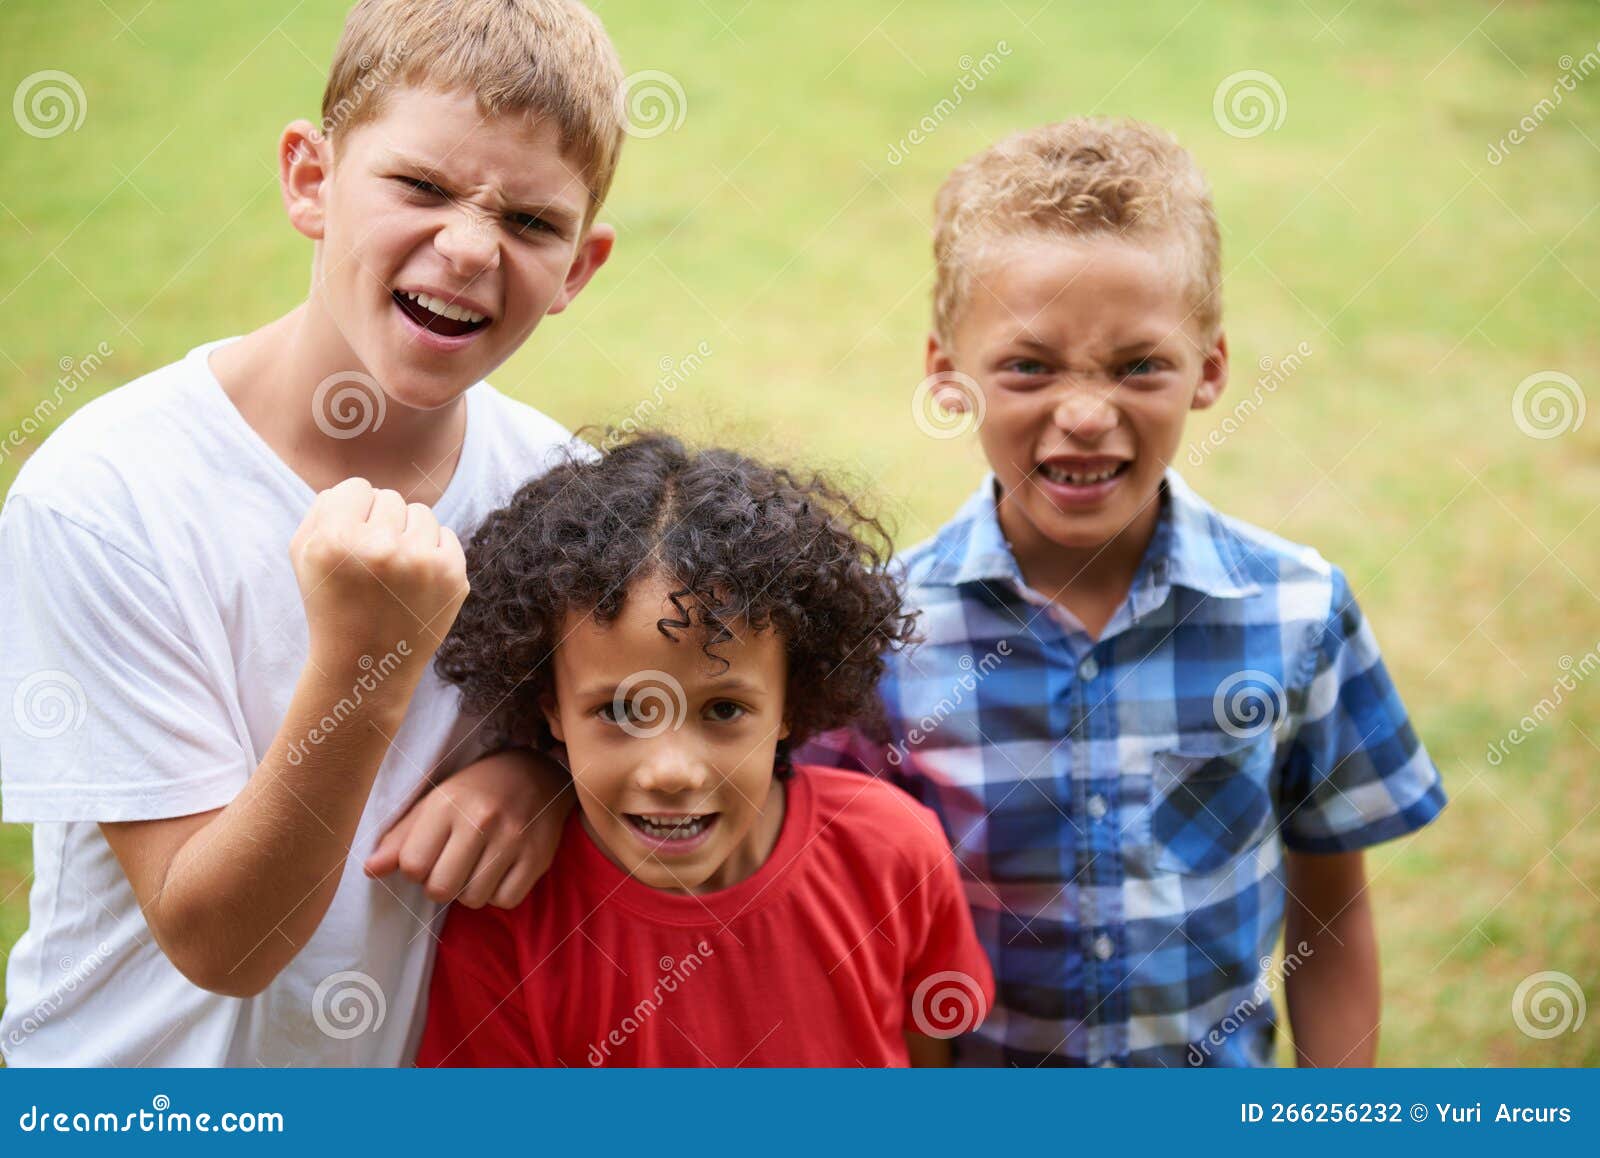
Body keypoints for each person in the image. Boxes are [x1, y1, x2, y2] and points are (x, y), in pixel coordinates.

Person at [0, 0, 625, 1065]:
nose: (469, 249)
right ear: (310, 178)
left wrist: (549, 777)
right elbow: (220, 943)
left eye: (529, 223)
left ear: (579, 266)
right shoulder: (105, 496)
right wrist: (368, 658)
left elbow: (683, 743)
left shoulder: (565, 494)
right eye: (421, 187)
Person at [798, 118, 1448, 1067]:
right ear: (947, 376)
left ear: (1209, 369)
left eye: (1139, 365)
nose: (1087, 414)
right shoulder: (885, 637)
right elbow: (859, 944)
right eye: (1029, 365)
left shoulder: (1296, 612)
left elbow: (1332, 912)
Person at [416, 433, 994, 1066]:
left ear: (790, 703)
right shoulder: (508, 918)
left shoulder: (893, 853)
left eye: (723, 709)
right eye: (619, 710)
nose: (671, 771)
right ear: (549, 703)